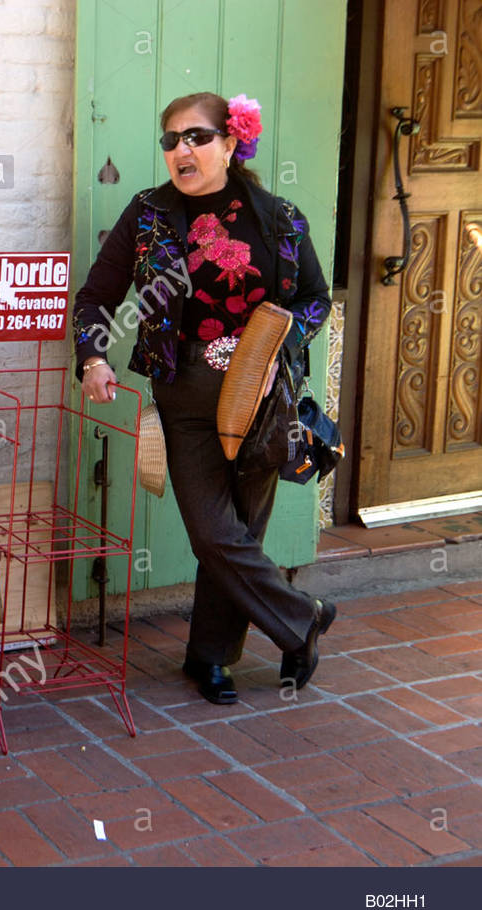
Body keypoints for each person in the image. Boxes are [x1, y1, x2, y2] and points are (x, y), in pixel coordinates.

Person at [72, 92, 336, 705]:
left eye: (194, 138)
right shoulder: (149, 214)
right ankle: (304, 619)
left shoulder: (278, 218)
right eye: (170, 140)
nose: (180, 151)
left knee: (243, 529)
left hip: (262, 397)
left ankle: (211, 657)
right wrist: (92, 356)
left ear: (230, 142)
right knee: (215, 534)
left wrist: (281, 336)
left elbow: (316, 300)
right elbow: (96, 297)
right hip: (184, 391)